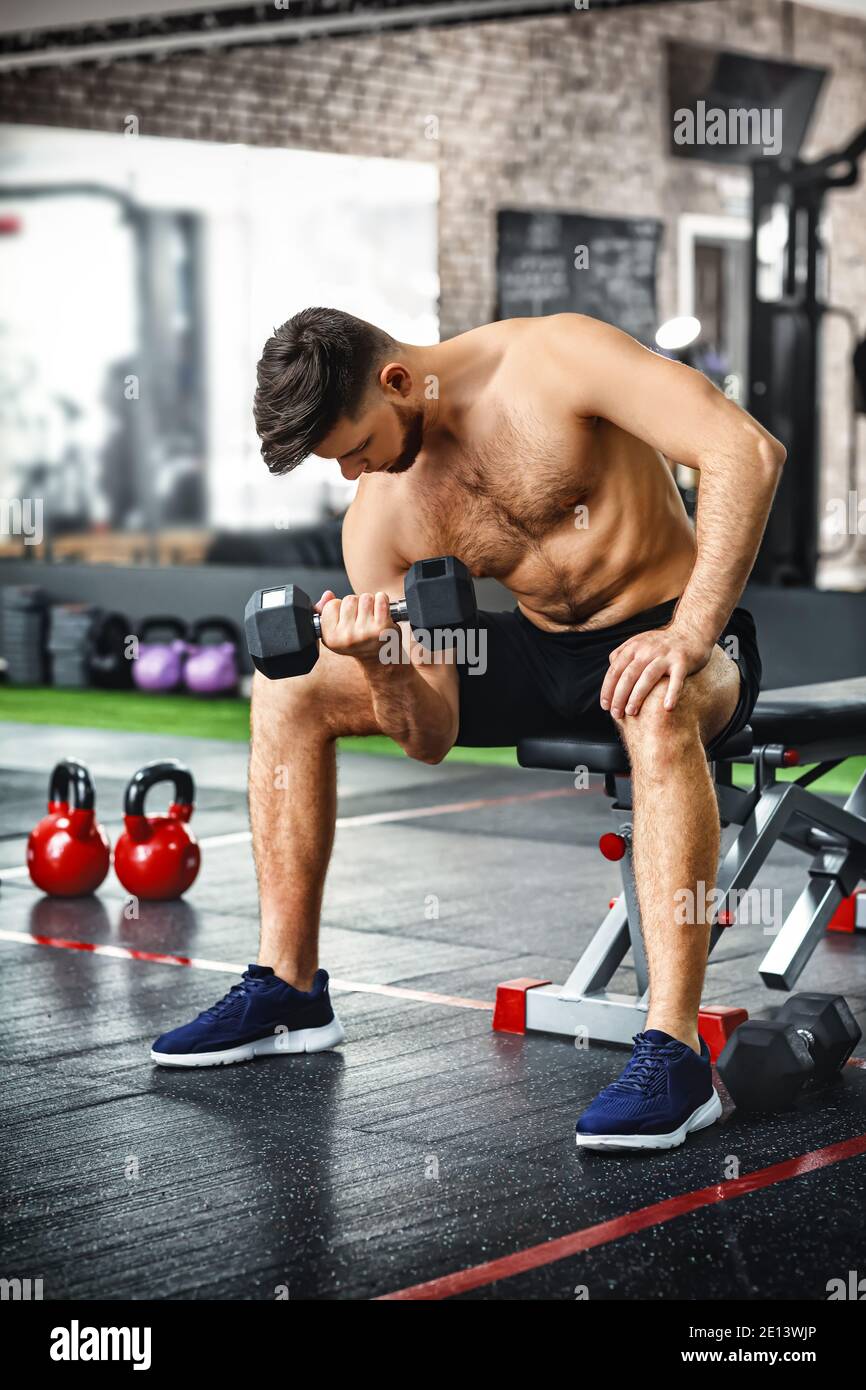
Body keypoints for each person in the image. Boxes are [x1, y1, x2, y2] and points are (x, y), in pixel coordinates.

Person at [152, 308, 783, 1152]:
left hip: (672, 627)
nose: (349, 473)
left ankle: (672, 1053)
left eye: (352, 447)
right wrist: (382, 662)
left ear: (399, 381)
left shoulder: (555, 358)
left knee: (655, 700)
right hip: (535, 651)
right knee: (291, 692)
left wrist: (689, 633)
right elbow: (432, 732)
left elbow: (747, 451)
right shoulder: (379, 518)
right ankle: (288, 988)